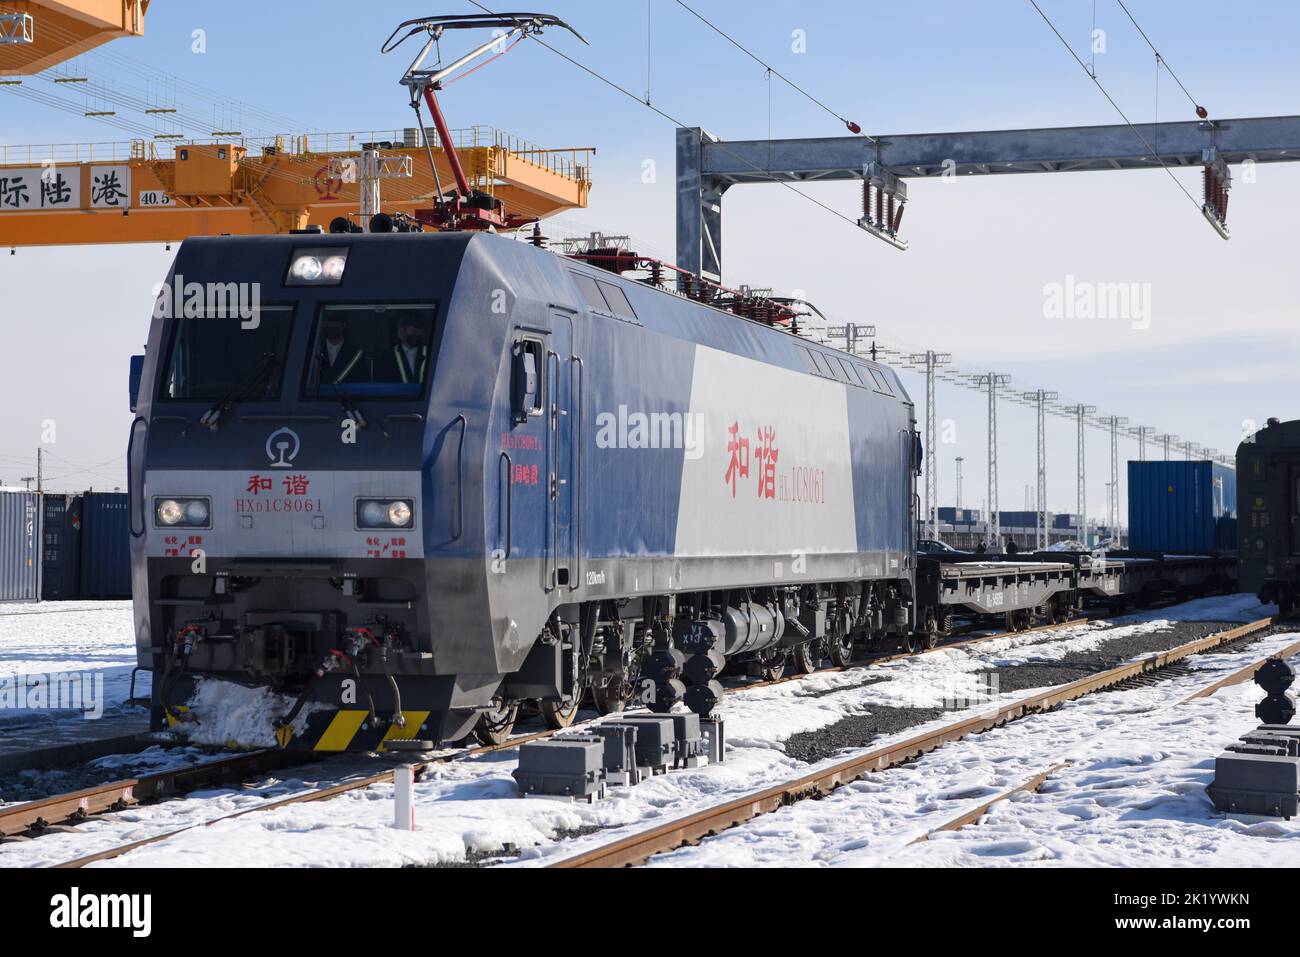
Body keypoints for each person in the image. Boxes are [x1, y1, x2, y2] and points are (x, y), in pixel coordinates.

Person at [375, 315, 429, 385]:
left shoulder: (431, 354)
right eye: (412, 331)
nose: (416, 334)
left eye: (419, 331)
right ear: (401, 331)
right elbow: (382, 383)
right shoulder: (388, 356)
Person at [314, 315, 366, 385]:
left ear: (343, 325)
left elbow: (362, 381)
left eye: (334, 322)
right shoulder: (314, 351)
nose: (330, 325)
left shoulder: (356, 353)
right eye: (327, 323)